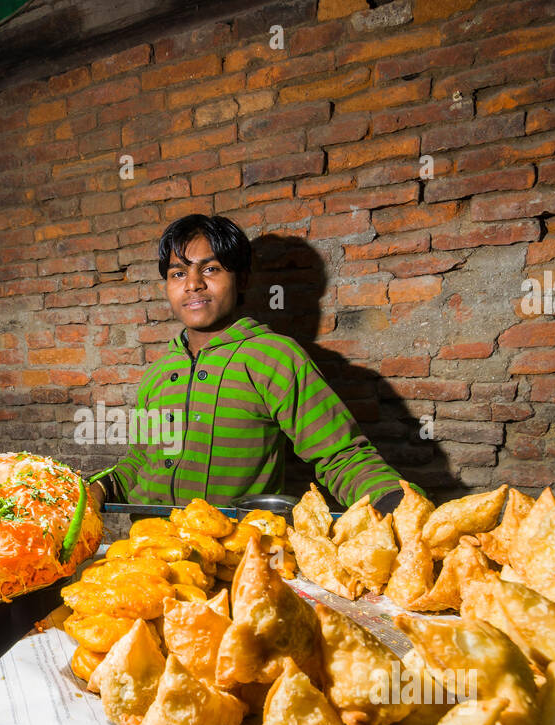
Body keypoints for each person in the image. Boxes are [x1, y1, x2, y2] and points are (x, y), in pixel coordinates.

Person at [90, 213, 416, 514]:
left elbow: (342, 456)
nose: (192, 284)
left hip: (237, 556)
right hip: (146, 553)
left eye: (210, 269)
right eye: (178, 273)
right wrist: (99, 488)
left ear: (242, 279)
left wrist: (400, 506)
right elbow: (140, 461)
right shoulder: (157, 375)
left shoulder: (273, 358)